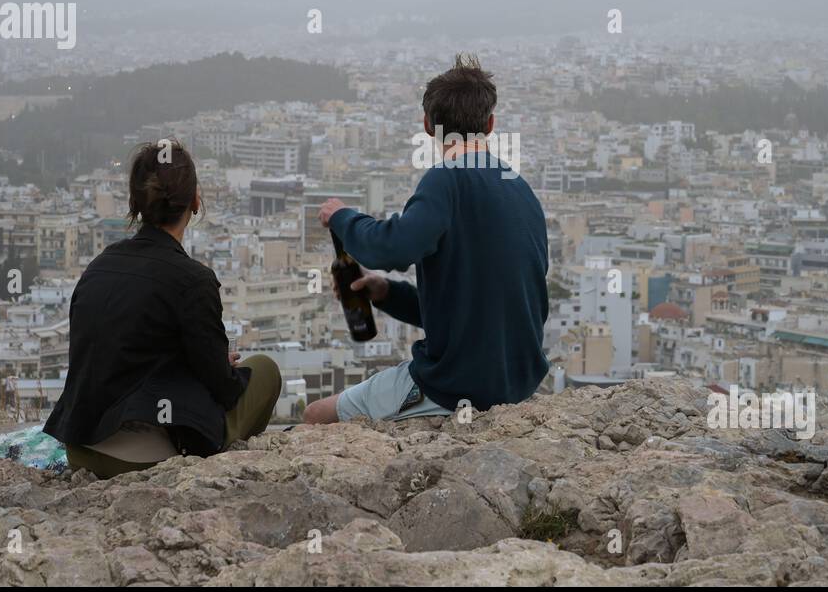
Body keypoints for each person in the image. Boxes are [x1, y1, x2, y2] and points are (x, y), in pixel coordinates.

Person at [305, 54, 549, 425]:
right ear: (490, 124)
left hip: (457, 386)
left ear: (428, 125)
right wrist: (387, 292)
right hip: (518, 383)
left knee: (315, 416)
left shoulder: (447, 178)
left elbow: (390, 247)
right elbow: (471, 310)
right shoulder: (520, 188)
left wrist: (341, 217)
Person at [43, 140, 281, 478]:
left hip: (80, 448)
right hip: (138, 457)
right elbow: (225, 389)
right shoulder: (193, 281)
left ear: (135, 203)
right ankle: (226, 466)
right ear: (195, 201)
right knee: (264, 369)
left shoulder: (99, 266)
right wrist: (215, 368)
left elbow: (123, 355)